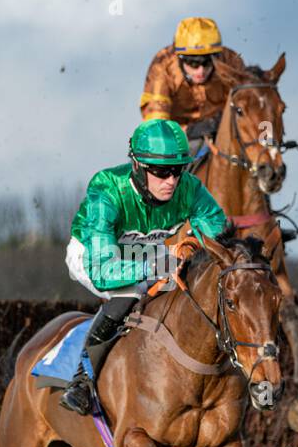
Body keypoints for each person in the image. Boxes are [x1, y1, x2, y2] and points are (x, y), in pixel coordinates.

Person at [59, 118, 230, 416]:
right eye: (162, 172)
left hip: (145, 253)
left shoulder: (189, 188)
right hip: (93, 255)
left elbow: (218, 229)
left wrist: (190, 245)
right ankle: (81, 382)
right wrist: (156, 264)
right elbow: (103, 271)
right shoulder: (107, 188)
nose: (172, 181)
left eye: (177, 171)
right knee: (130, 294)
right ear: (137, 165)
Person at [140, 17, 248, 161]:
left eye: (208, 63)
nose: (201, 71)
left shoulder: (231, 61)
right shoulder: (163, 65)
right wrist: (183, 132)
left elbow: (248, 105)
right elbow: (155, 117)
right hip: (179, 136)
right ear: (180, 58)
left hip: (223, 129)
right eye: (193, 63)